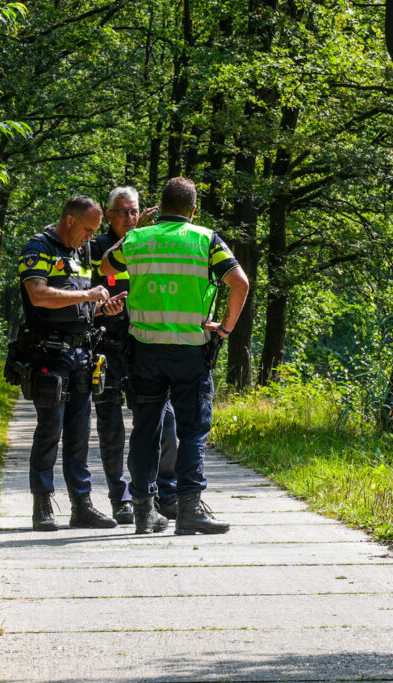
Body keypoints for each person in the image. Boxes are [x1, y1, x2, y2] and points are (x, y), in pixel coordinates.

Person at [100, 177, 249, 535]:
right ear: (192, 210)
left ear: (159, 207)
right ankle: (189, 509)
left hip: (145, 350)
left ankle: (142, 512)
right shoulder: (205, 239)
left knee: (146, 430)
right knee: (192, 430)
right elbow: (239, 283)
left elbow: (106, 266)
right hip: (190, 352)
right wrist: (225, 328)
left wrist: (136, 233)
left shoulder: (137, 238)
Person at [17, 195, 126, 531]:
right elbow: (38, 294)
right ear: (69, 220)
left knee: (80, 435)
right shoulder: (39, 247)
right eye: (87, 229)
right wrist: (87, 295)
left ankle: (82, 505)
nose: (90, 237)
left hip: (82, 354)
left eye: (94, 231)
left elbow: (80, 304)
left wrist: (101, 307)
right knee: (49, 430)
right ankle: (42, 506)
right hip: (50, 355)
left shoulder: (82, 252)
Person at [89, 186, 180, 524]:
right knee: (111, 426)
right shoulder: (97, 246)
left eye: (134, 212)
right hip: (106, 346)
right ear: (108, 215)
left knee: (164, 422)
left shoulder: (150, 245)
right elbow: (99, 272)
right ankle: (121, 497)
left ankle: (164, 496)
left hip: (144, 345)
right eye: (123, 212)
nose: (130, 218)